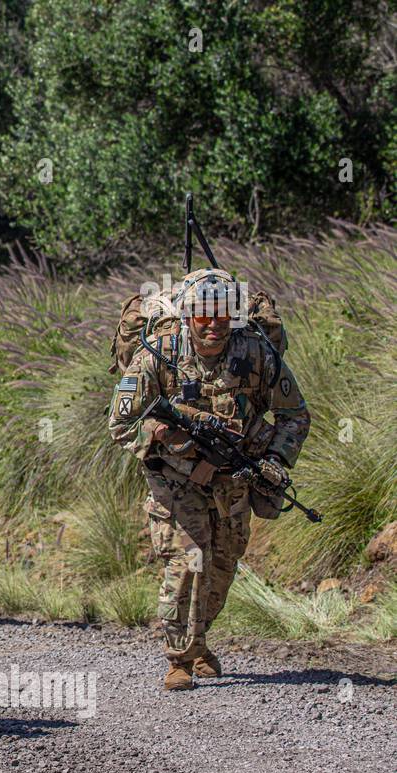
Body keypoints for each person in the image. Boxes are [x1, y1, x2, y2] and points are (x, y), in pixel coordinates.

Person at [108, 270, 311, 690]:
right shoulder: (158, 354)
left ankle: (198, 642)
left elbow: (295, 415)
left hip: (234, 474)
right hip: (175, 477)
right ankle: (179, 658)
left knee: (222, 561)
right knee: (186, 561)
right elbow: (121, 423)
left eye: (222, 314)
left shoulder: (256, 353)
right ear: (187, 316)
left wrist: (276, 459)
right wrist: (169, 439)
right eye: (203, 315)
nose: (213, 323)